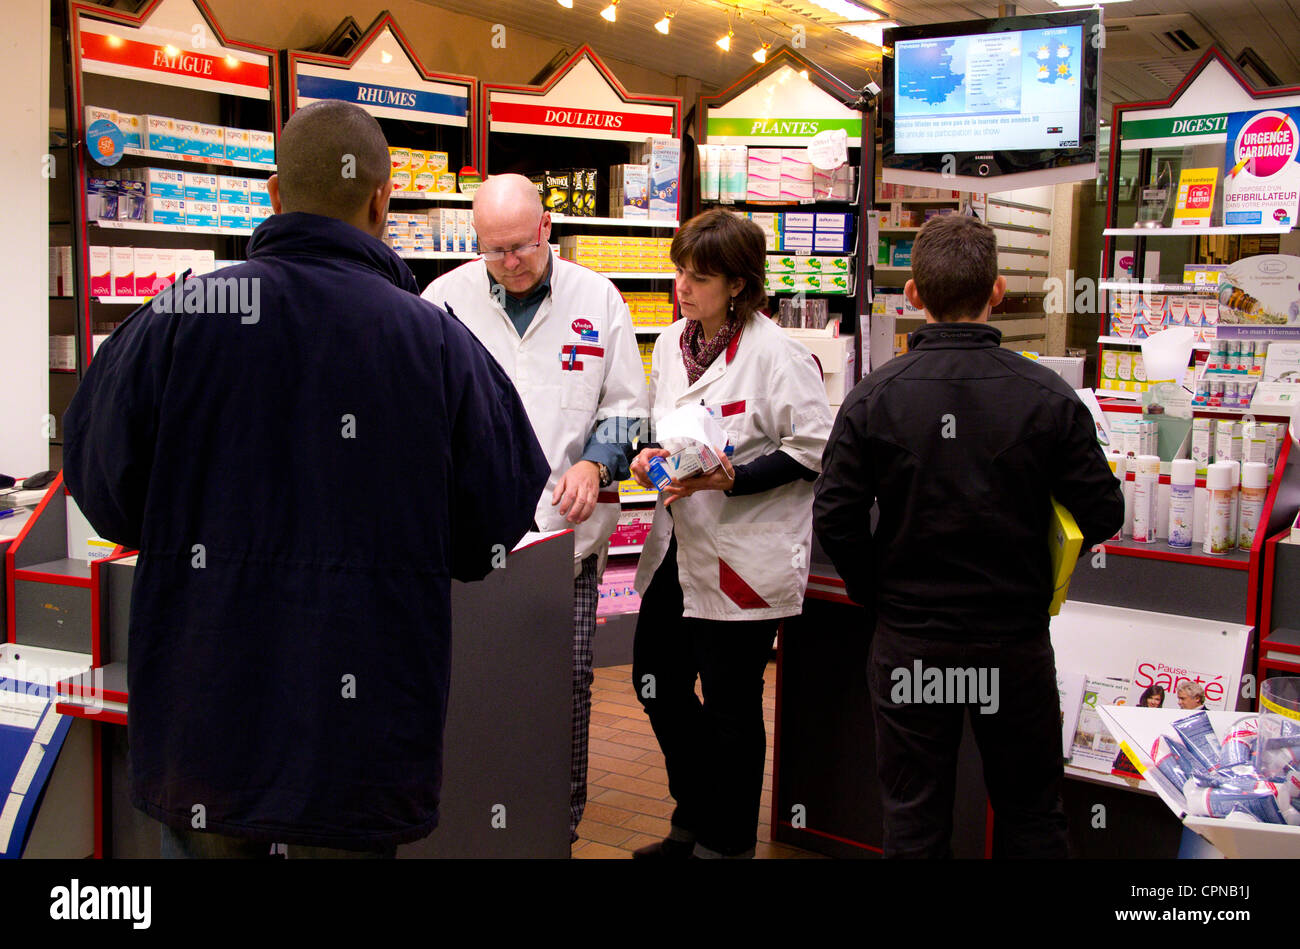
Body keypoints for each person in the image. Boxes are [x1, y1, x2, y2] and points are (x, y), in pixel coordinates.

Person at [62, 100, 550, 857]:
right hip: (361, 737)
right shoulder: (437, 343)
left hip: (208, 723)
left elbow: (104, 488)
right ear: (383, 200)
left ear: (273, 197)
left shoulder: (181, 317)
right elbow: (494, 520)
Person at [813, 213, 1124, 859]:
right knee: (1032, 815)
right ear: (999, 290)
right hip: (1012, 644)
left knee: (914, 820)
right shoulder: (1047, 395)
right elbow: (1105, 510)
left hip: (913, 643)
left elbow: (836, 516)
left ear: (915, 296)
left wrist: (882, 595)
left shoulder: (875, 397)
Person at [423, 175, 648, 843]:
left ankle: (558, 823)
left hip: (562, 544)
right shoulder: (443, 301)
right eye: (492, 250)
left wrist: (594, 463)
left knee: (562, 690)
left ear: (546, 227)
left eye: (519, 246)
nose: (508, 262)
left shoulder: (597, 298)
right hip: (465, 545)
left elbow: (629, 409)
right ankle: (463, 816)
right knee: (466, 684)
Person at [627, 209, 833, 859]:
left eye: (700, 277)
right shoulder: (669, 343)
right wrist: (651, 457)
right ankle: (694, 811)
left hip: (742, 554)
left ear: (739, 284)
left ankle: (724, 842)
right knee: (653, 679)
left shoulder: (778, 355)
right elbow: (676, 432)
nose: (682, 287)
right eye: (679, 271)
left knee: (732, 707)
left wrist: (730, 479)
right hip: (679, 542)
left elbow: (813, 450)